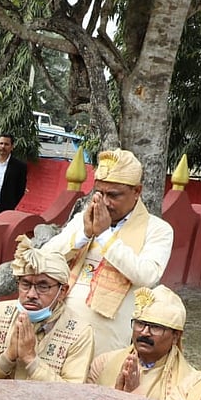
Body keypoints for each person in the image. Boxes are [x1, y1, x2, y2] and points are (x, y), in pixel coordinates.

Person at [42, 148, 174, 356]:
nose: (104, 202)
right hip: (59, 327)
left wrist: (104, 236)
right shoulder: (84, 218)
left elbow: (147, 275)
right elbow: (45, 257)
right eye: (100, 193)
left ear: (137, 191)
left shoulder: (157, 229)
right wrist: (84, 235)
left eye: (113, 195)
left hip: (107, 338)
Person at [0, 242, 93, 384]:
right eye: (25, 284)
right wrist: (8, 356)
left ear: (62, 291)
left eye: (43, 286)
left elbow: (72, 395)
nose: (31, 294)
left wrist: (31, 360)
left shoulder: (80, 332)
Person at [86, 285, 196, 400]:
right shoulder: (103, 363)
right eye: (140, 324)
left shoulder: (190, 383)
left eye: (155, 327)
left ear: (176, 336)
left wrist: (134, 394)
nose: (144, 332)